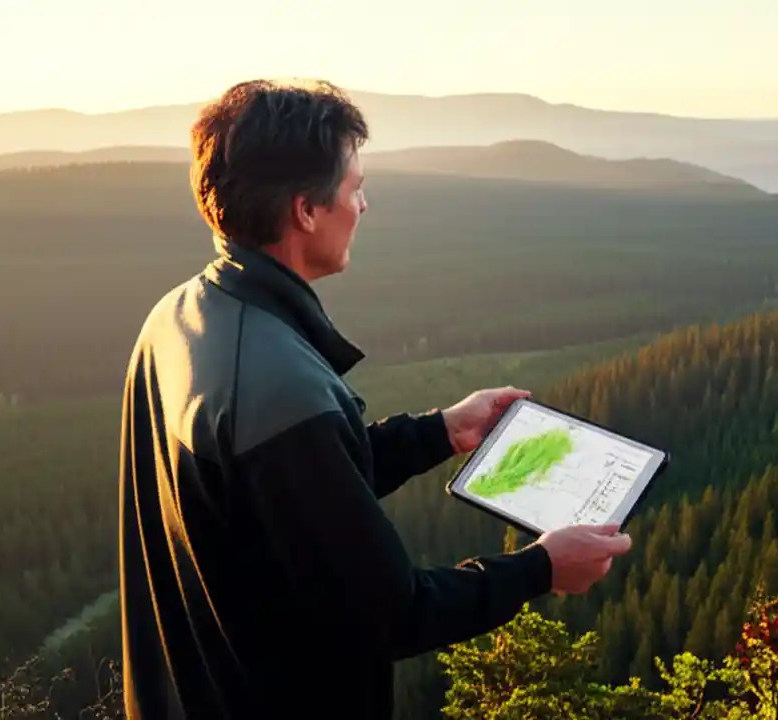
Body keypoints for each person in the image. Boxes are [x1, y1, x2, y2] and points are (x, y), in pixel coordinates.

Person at [117, 79, 633, 719]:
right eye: (355, 187)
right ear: (306, 210)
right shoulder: (279, 387)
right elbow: (393, 613)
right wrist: (543, 568)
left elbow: (285, 494)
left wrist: (439, 431)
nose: (365, 205)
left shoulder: (179, 319)